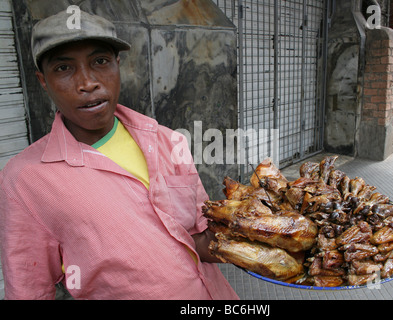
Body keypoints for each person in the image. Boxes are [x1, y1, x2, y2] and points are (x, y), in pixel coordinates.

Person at [0, 9, 239, 300]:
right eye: (64, 68)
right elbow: (29, 291)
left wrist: (263, 237)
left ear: (118, 65)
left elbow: (199, 239)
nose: (87, 83)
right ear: (42, 80)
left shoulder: (166, 140)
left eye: (100, 62)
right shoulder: (24, 181)